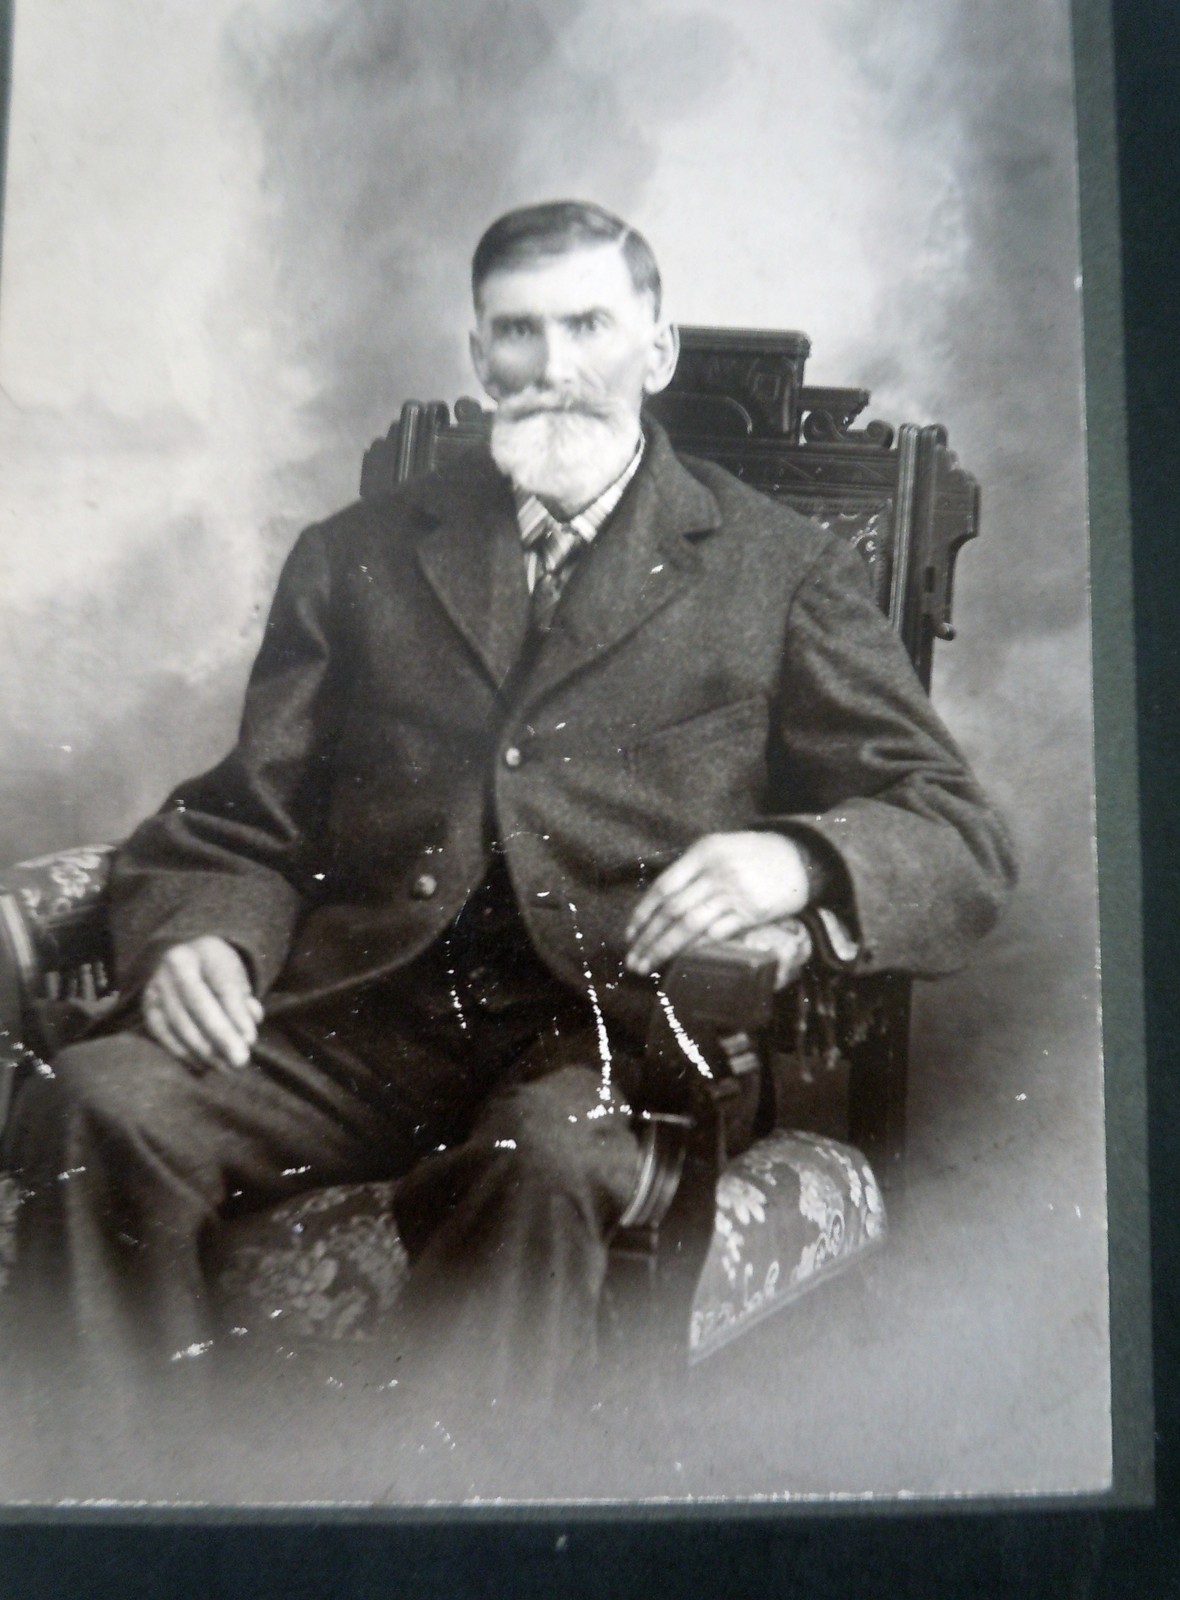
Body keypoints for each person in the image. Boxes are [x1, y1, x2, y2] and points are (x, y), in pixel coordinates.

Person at [1, 201, 1015, 1473]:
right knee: (104, 1101)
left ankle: (450, 1541)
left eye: (589, 324)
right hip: (351, 1019)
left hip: (605, 1037)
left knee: (542, 1161)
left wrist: (801, 857)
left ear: (656, 348)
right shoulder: (355, 554)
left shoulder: (780, 570)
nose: (553, 366)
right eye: (518, 333)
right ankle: (133, 1518)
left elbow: (957, 830)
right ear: (480, 357)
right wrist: (198, 933)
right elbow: (238, 815)